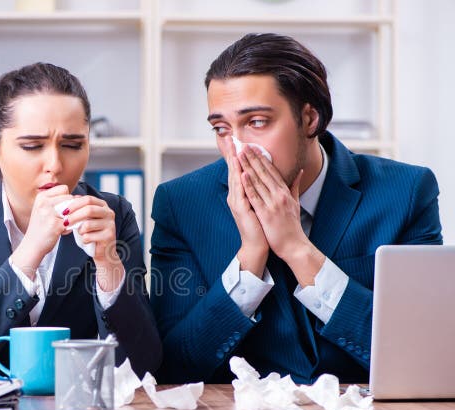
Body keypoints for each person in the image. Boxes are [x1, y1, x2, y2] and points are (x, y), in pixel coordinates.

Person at [151, 33, 442, 384]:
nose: (238, 149)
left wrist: (297, 249)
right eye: (221, 128)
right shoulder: (181, 204)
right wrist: (250, 257)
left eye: (257, 122)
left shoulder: (406, 192)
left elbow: (422, 357)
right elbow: (176, 368)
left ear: (309, 119)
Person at [0, 62, 162, 384]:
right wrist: (27, 257)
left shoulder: (113, 214)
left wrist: (109, 266)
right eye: (32, 146)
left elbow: (143, 369)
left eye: (72, 145)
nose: (55, 166)